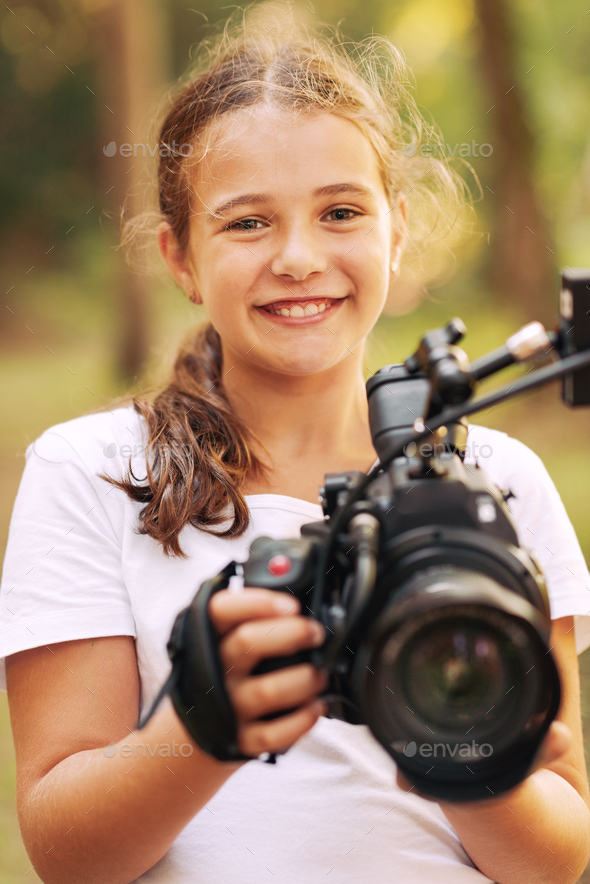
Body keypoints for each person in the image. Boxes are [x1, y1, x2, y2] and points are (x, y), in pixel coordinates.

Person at [2, 9, 590, 884]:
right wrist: (199, 731)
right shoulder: (90, 472)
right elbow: (66, 854)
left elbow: (558, 856)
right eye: (246, 224)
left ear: (397, 229)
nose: (299, 257)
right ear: (181, 257)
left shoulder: (494, 485)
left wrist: (457, 747)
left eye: (341, 212)